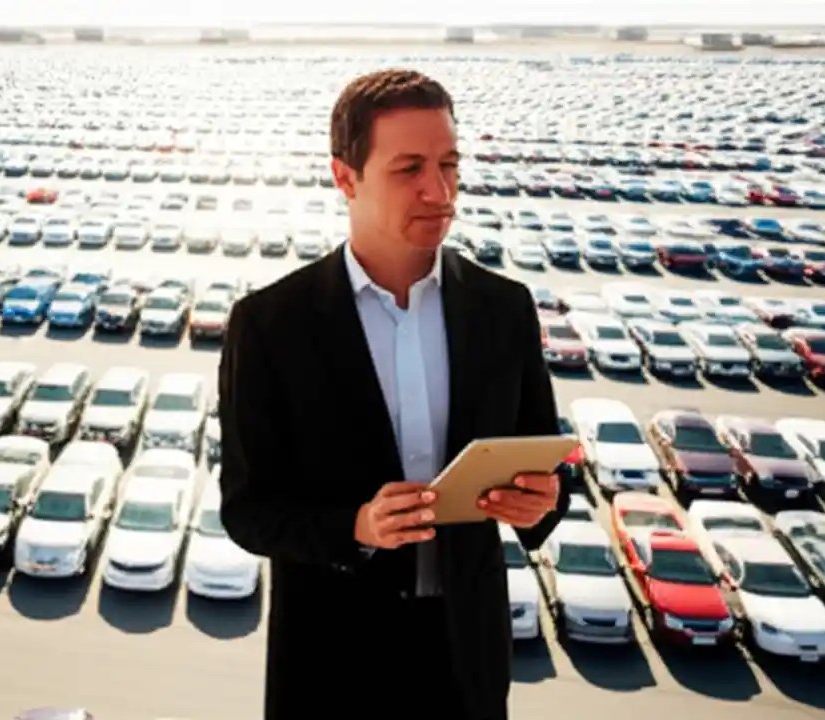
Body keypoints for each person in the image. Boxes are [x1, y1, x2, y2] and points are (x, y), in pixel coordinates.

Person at [216, 68, 569, 720]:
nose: (440, 191)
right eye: (410, 169)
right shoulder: (270, 324)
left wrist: (541, 502)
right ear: (344, 178)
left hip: (466, 662)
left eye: (449, 165)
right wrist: (357, 526)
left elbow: (543, 470)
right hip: (332, 667)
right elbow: (248, 510)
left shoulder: (504, 309)